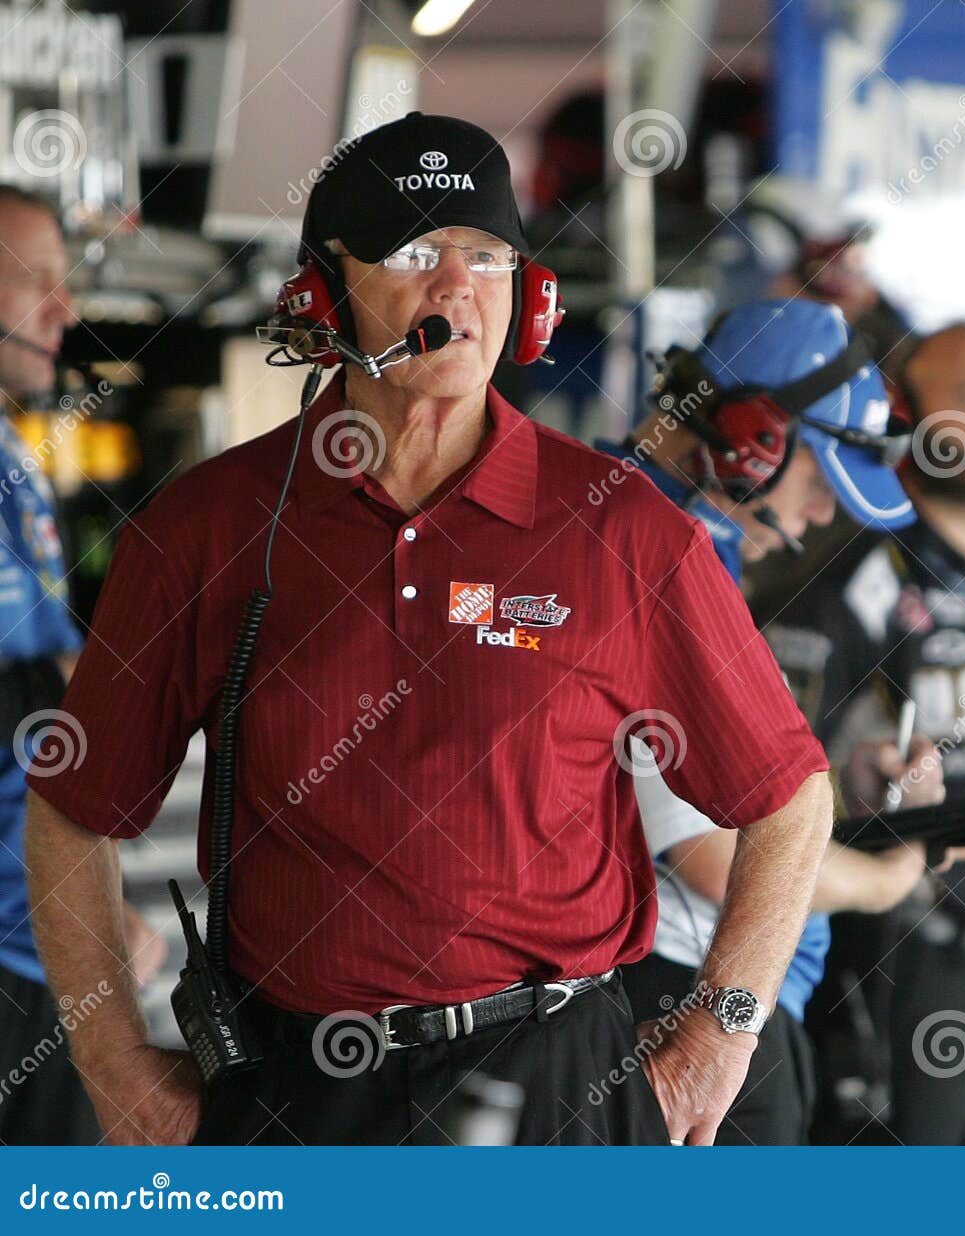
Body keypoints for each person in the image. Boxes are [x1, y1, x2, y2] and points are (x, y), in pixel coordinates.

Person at [23, 113, 835, 1148]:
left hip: (559, 1086)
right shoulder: (207, 529)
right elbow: (71, 810)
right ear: (323, 294)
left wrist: (721, 1036)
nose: (456, 289)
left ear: (529, 298)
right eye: (414, 253)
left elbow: (789, 798)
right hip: (298, 1094)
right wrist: (110, 1064)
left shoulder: (625, 530)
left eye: (487, 257)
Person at [601, 298, 965, 1144]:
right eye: (823, 483)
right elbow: (711, 857)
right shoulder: (652, 549)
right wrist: (887, 876)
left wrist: (836, 799)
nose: (822, 517)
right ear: (753, 444)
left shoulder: (678, 542)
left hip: (713, 995)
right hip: (685, 995)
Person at [752, 323, 965, 1145]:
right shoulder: (851, 580)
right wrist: (856, 782)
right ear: (907, 419)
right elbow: (756, 785)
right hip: (897, 961)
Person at [0, 184, 162, 1145]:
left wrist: (98, 913)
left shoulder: (17, 457)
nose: (65, 311)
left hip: (46, 940)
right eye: (37, 284)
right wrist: (63, 685)